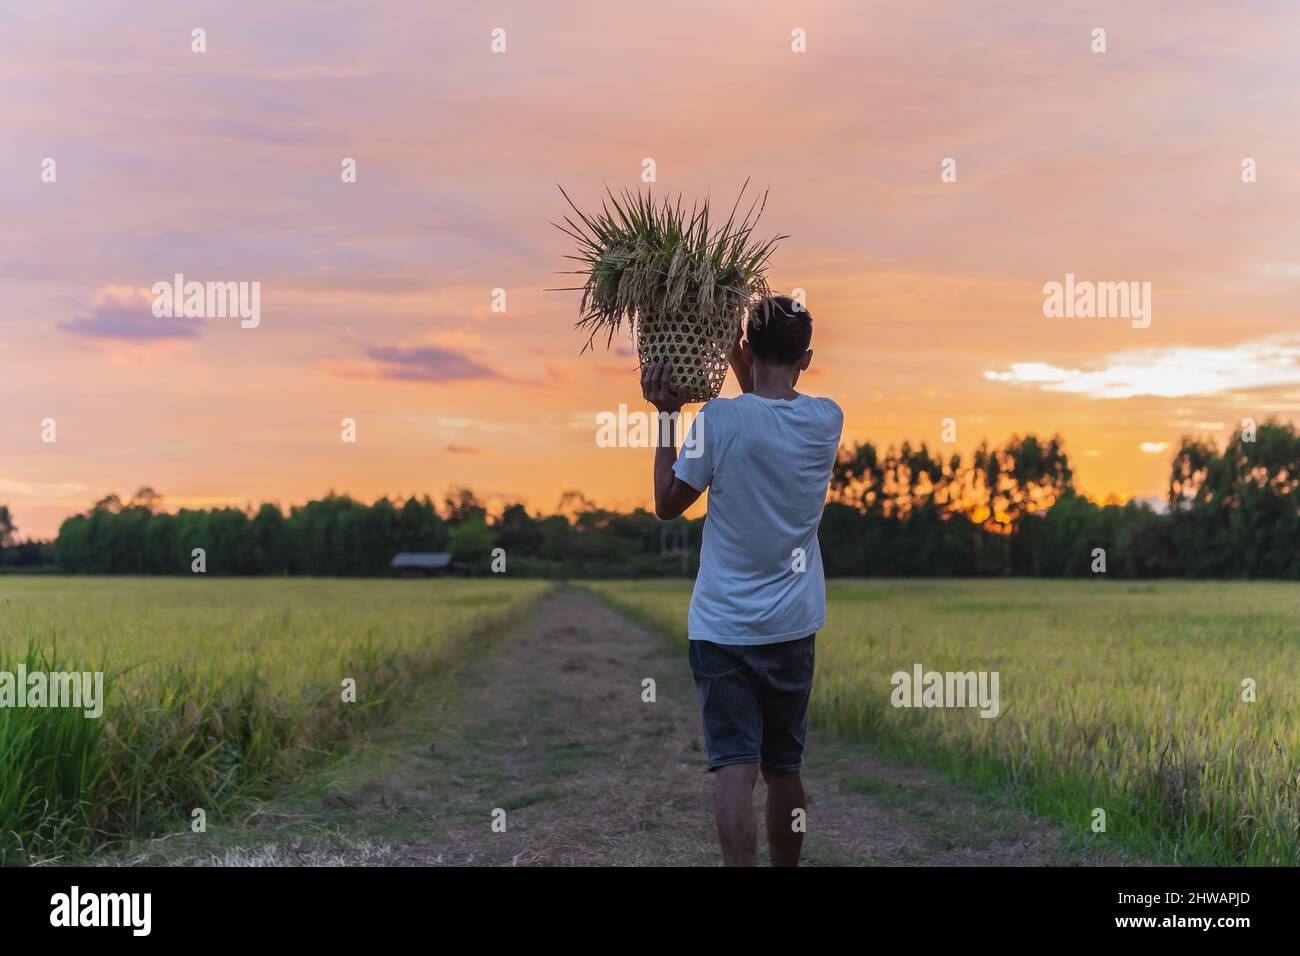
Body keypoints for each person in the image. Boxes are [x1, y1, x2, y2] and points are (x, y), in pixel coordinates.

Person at [641, 294, 844, 866]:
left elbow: (666, 503)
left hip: (722, 628)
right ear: (806, 359)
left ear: (750, 349)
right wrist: (744, 350)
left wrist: (664, 413)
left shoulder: (719, 420)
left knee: (736, 770)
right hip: (792, 625)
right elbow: (763, 403)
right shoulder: (827, 419)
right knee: (785, 770)